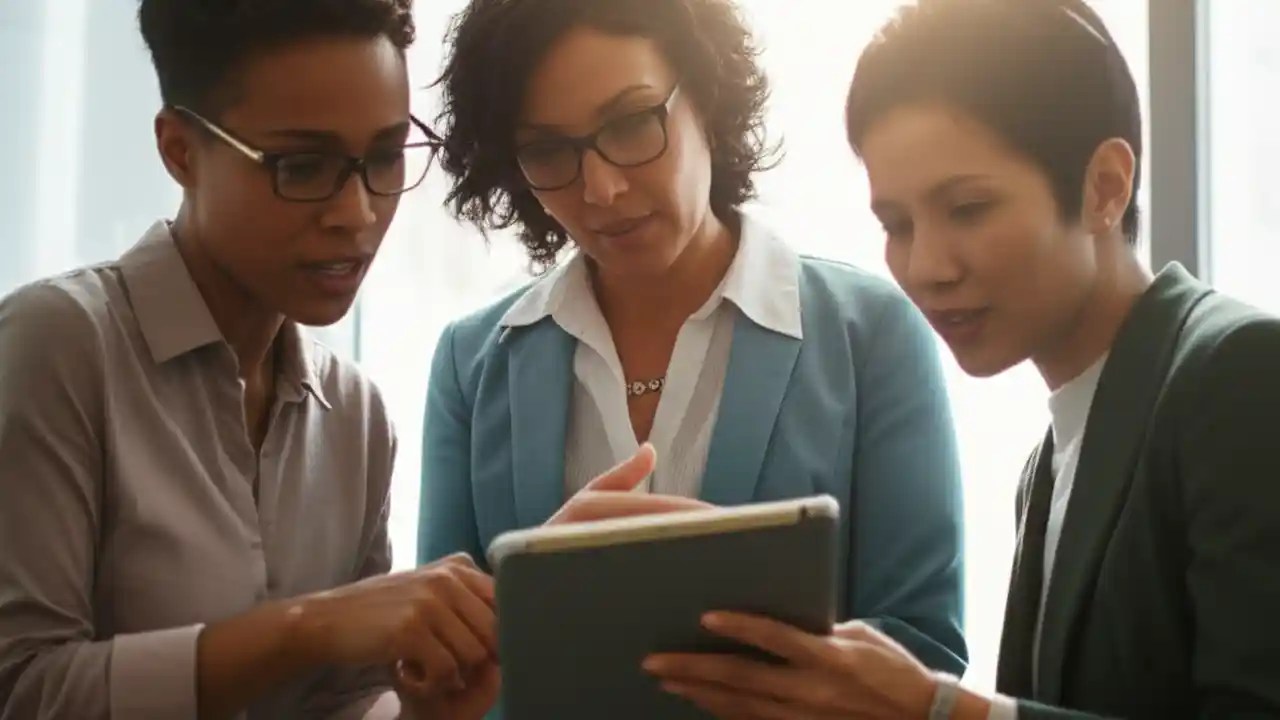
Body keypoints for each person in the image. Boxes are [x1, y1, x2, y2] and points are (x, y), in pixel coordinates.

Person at [644, 0, 1280, 718]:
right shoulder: (1048, 466)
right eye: (897, 224)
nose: (926, 267)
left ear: (1104, 187)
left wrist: (937, 710)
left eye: (969, 209)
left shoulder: (1239, 375)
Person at [417, 0, 968, 710]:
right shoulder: (471, 363)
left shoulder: (872, 335)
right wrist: (532, 602)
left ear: (706, 94)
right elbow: (441, 672)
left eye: (630, 123)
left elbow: (924, 652)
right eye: (551, 152)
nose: (603, 189)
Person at [0, 1, 503, 718]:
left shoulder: (356, 415)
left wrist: (425, 710)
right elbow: (22, 690)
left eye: (387, 157)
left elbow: (349, 701)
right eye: (302, 166)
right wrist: (311, 627)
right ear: (179, 150)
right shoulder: (57, 346)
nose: (356, 213)